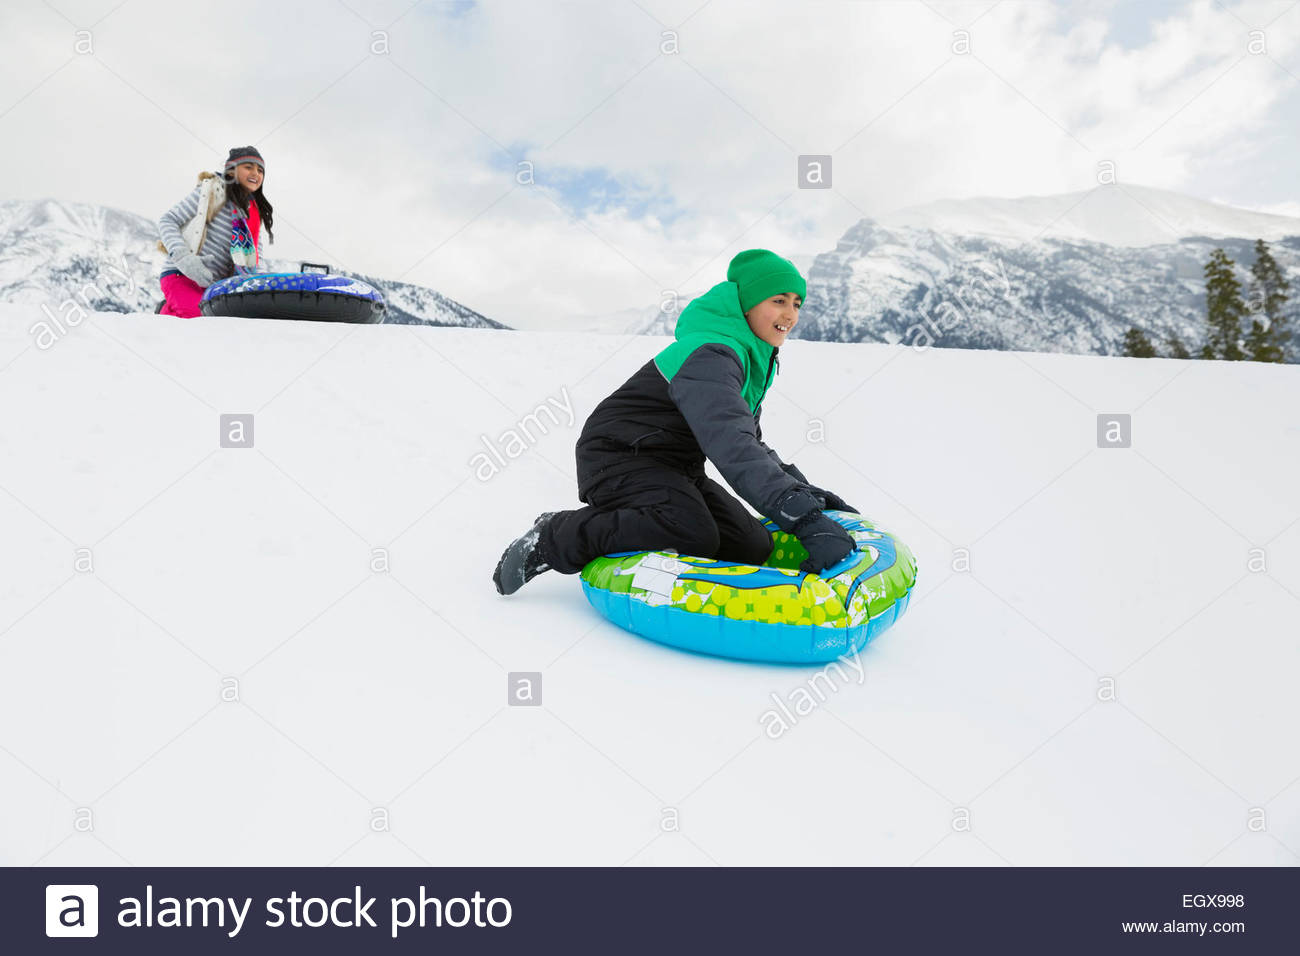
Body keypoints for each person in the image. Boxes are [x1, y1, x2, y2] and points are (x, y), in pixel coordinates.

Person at [493, 248, 859, 596]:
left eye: (797, 303)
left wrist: (805, 492)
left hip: (674, 465)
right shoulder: (713, 354)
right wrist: (803, 519)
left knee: (751, 544)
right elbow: (732, 445)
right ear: (745, 305)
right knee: (690, 531)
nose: (791, 314)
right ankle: (553, 535)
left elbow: (750, 441)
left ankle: (645, 515)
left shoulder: (750, 357)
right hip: (619, 456)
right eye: (778, 300)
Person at [155, 146, 273, 317]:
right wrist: (184, 258)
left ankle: (168, 311)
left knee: (221, 326)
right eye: (248, 167)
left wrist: (258, 283)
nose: (256, 173)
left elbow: (256, 257)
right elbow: (168, 220)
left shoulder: (252, 214)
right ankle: (168, 310)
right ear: (231, 171)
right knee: (200, 321)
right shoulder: (212, 192)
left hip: (214, 287)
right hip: (182, 275)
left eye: (260, 170)